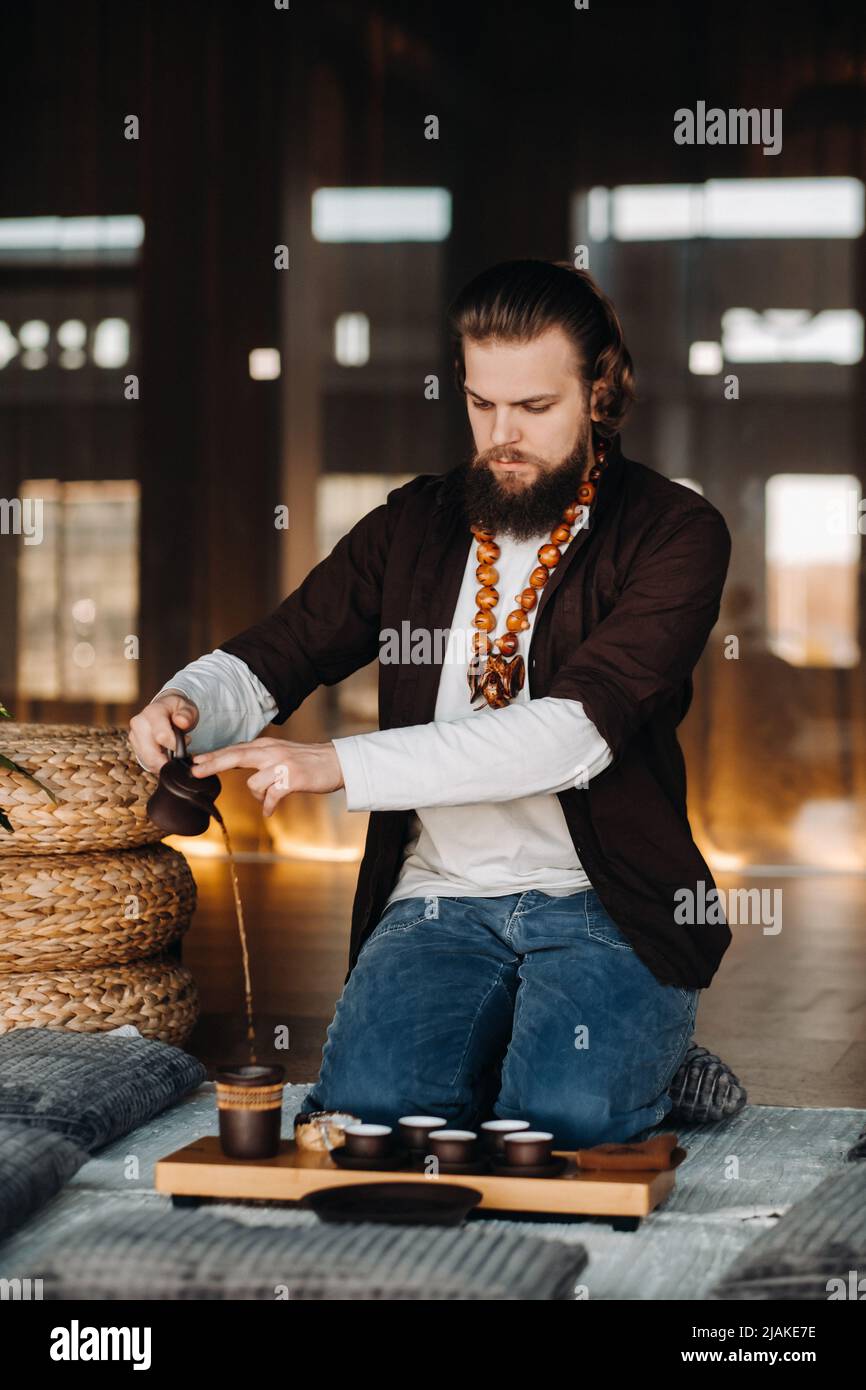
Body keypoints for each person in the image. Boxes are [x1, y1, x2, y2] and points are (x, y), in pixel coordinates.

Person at [129, 259, 734, 1148]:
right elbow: (279, 654)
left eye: (534, 408)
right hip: (440, 898)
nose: (503, 436)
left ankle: (641, 1054)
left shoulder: (676, 531)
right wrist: (187, 701)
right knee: (372, 1119)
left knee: (557, 1125)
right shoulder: (415, 524)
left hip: (604, 900)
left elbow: (573, 734)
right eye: (482, 404)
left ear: (600, 391)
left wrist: (338, 765)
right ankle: (590, 1048)